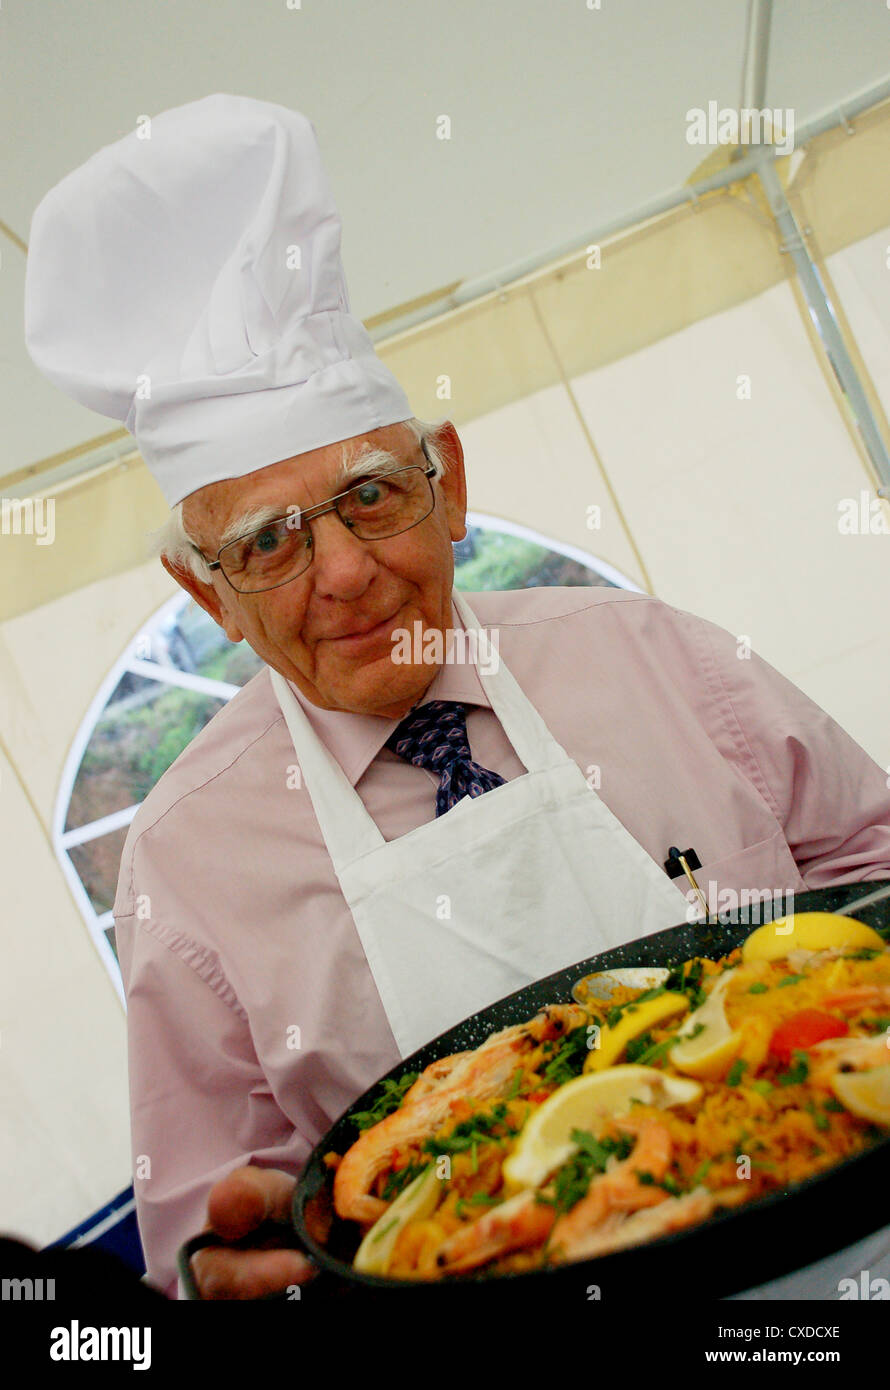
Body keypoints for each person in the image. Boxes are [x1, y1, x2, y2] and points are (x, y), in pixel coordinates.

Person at [25, 95, 890, 1302]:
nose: (343, 571)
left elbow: (872, 870)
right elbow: (212, 1228)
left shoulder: (653, 654)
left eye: (372, 494)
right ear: (206, 592)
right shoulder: (186, 869)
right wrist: (238, 1269)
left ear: (451, 482)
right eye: (269, 542)